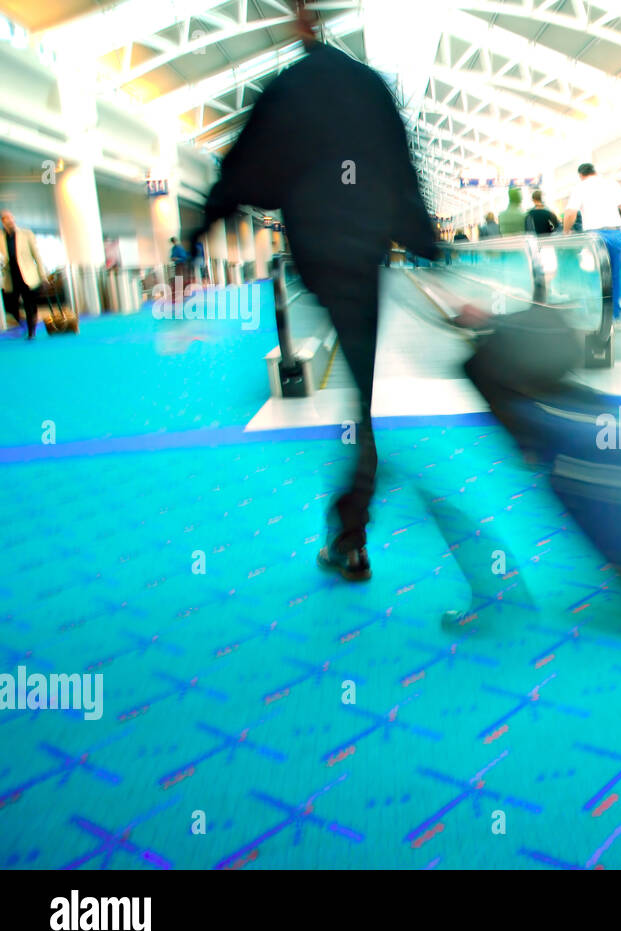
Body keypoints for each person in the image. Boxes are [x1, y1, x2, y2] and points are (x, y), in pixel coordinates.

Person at [192, 0, 445, 582]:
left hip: (319, 255)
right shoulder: (367, 86)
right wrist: (428, 244)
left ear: (301, 22)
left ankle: (349, 535)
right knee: (363, 395)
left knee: (361, 396)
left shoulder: (287, 88)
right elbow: (398, 166)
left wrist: (197, 236)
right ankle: (352, 531)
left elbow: (242, 170)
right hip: (363, 257)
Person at [562, 163, 621, 322]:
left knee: (593, 275)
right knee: (614, 275)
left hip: (594, 237)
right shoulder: (612, 184)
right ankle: (615, 316)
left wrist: (566, 232)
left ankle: (598, 317)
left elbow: (571, 212)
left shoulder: (580, 187)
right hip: (614, 234)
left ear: (581, 175)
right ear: (595, 172)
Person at [1, 210, 47, 339]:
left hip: (27, 275)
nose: (9, 221)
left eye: (11, 218)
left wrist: (43, 276)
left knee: (29, 303)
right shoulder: (1, 237)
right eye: (6, 219)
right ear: (3, 222)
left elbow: (37, 256)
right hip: (11, 276)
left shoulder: (26, 234)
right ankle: (24, 322)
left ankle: (31, 330)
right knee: (10, 305)